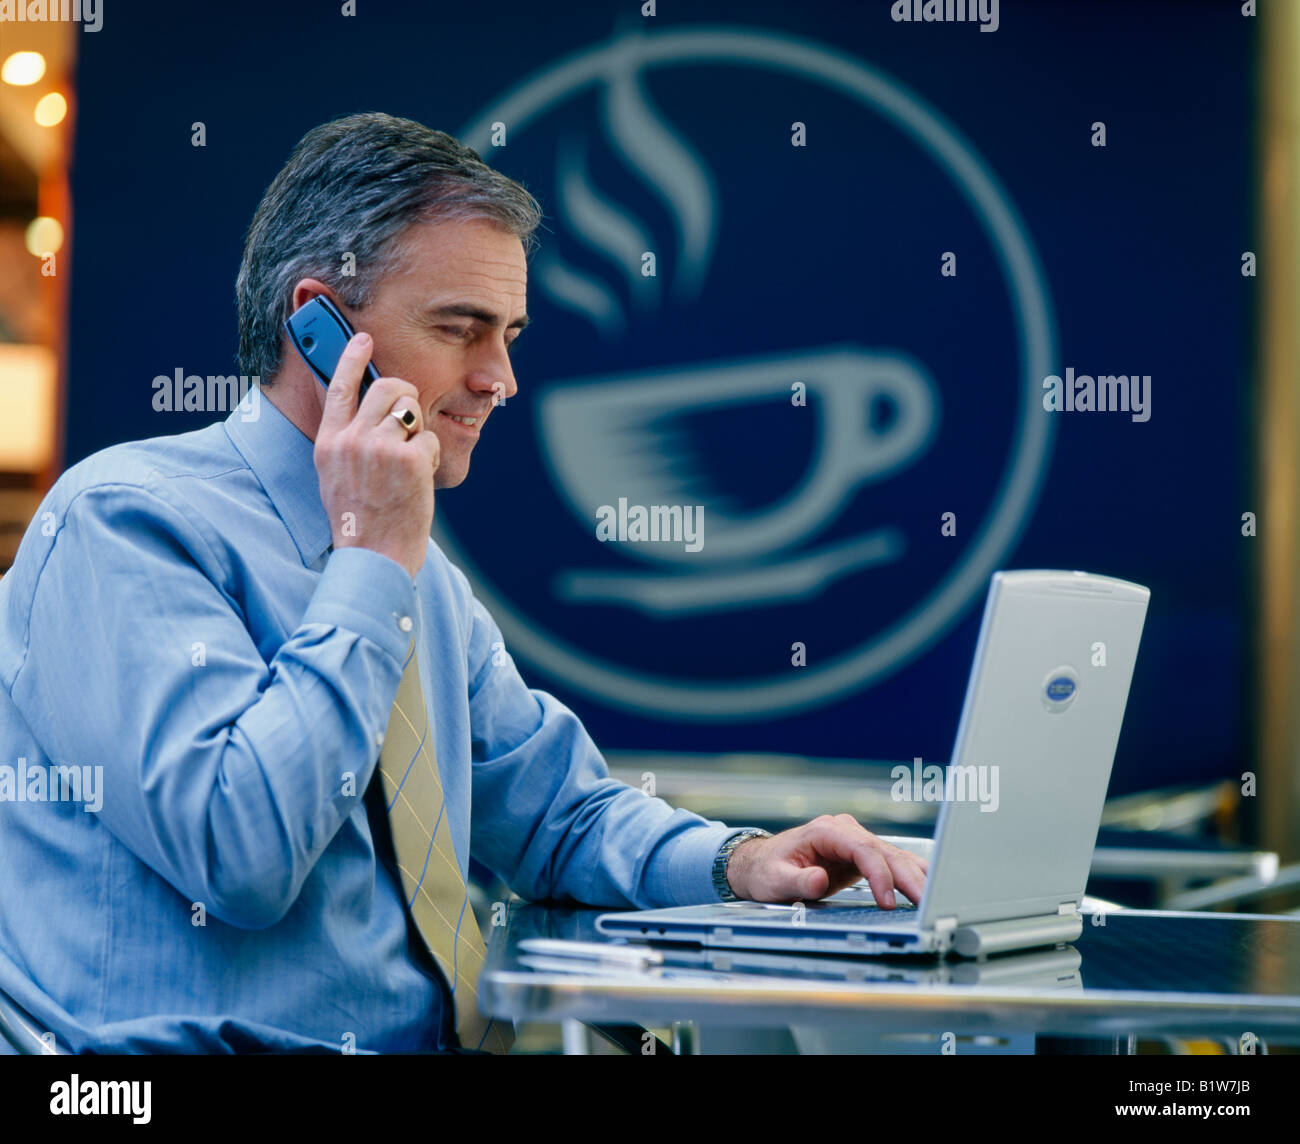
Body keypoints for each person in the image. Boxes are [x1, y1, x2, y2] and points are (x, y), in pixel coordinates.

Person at [0, 113, 927, 1054]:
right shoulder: (124, 522)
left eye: (511, 334)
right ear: (317, 326)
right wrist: (368, 563)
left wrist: (742, 861)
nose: (502, 379)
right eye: (462, 329)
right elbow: (237, 854)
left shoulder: (417, 575)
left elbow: (558, 819)